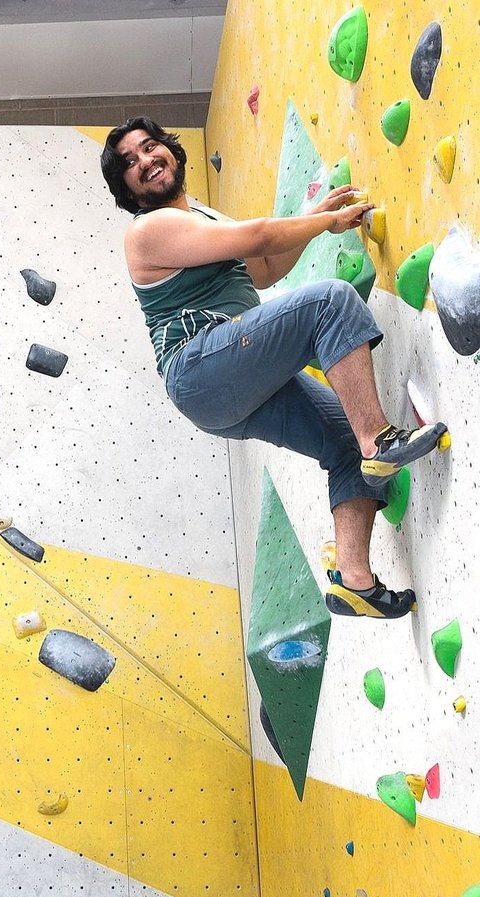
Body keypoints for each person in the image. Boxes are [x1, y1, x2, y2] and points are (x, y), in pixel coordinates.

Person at [100, 117, 447, 619]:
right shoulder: (148, 230)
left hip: (223, 387)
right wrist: (320, 220)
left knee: (343, 442)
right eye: (130, 163)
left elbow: (262, 269)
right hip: (200, 364)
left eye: (150, 148)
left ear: (171, 153)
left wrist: (311, 225)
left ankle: (354, 579)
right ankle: (381, 441)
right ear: (128, 191)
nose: (146, 161)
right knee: (331, 301)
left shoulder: (201, 220)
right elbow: (262, 236)